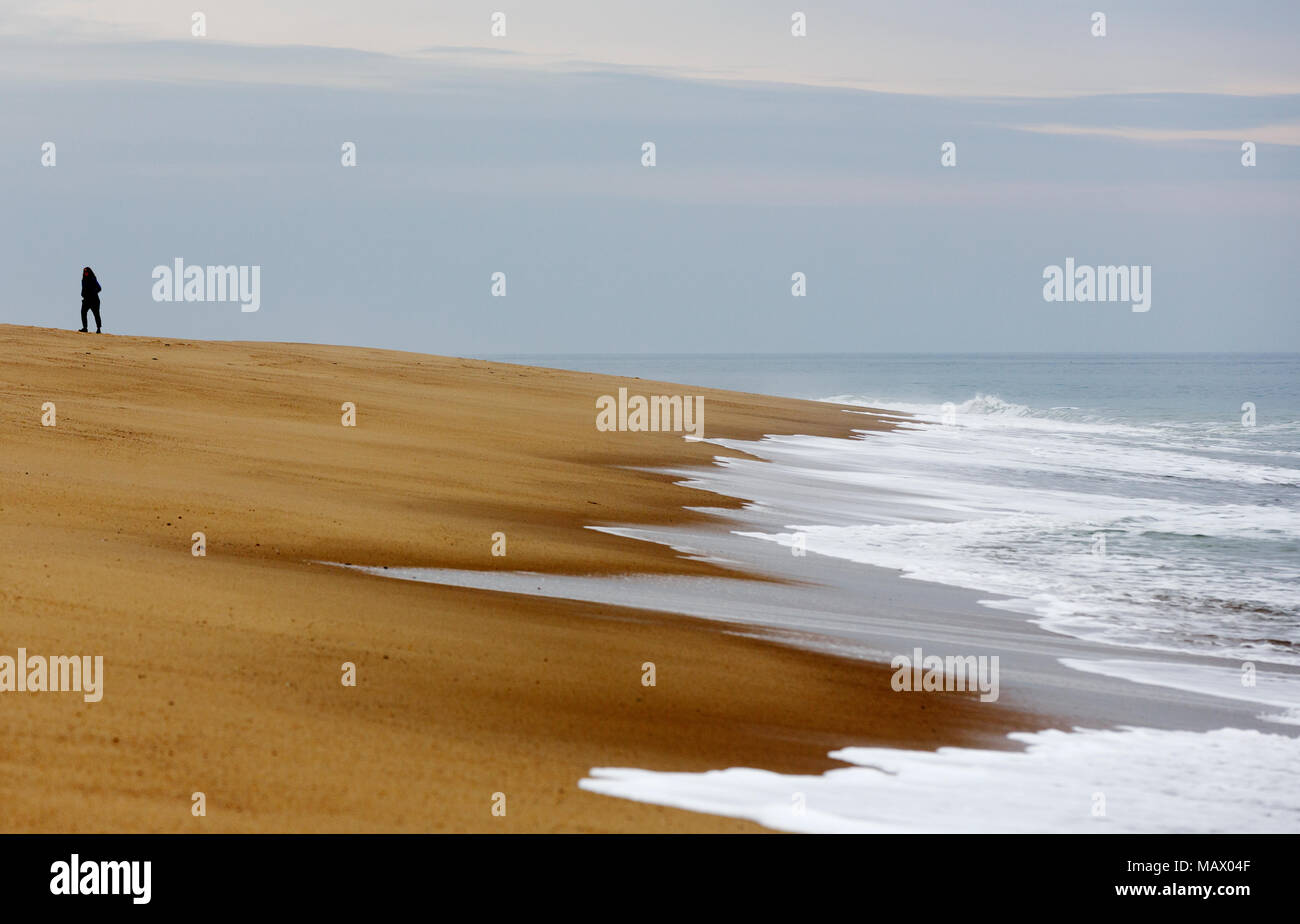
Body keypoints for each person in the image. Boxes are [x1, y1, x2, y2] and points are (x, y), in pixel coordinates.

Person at [79, 267, 102, 333]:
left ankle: (98, 329)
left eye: (86, 272)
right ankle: (85, 328)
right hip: (86, 300)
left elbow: (99, 288)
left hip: (94, 300)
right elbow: (83, 289)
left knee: (96, 314)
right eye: (84, 272)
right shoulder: (83, 280)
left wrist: (93, 293)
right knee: (83, 312)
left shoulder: (93, 279)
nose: (85, 273)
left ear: (89, 272)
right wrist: (82, 294)